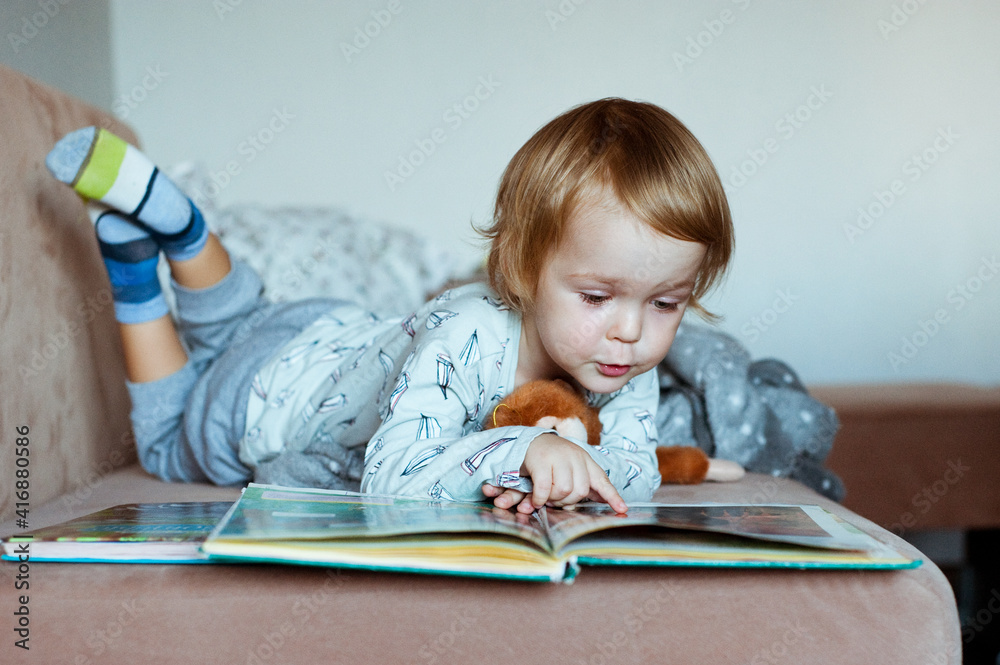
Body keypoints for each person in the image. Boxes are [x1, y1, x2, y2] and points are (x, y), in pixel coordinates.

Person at [44, 98, 733, 515]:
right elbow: (392, 481)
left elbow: (635, 468)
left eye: (668, 302)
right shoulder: (470, 333)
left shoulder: (623, 355)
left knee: (237, 315)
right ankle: (136, 272)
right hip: (261, 398)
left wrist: (573, 463)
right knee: (169, 443)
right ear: (524, 267)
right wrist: (526, 446)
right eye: (596, 296)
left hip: (324, 330)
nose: (632, 332)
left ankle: (184, 230)